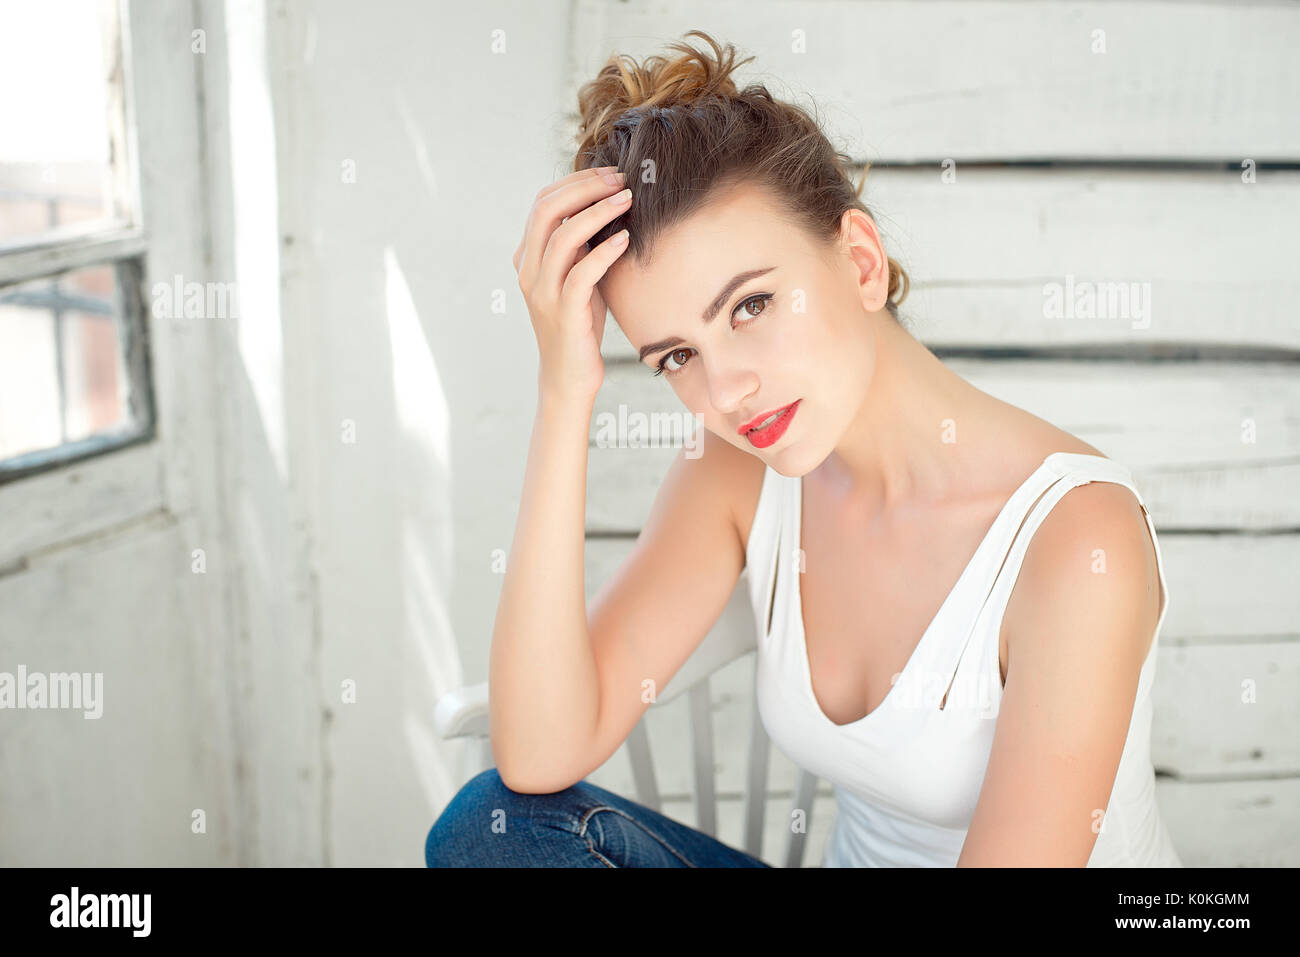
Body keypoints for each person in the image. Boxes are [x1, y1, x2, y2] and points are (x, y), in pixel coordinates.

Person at [426, 30, 1181, 867]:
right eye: (677, 356)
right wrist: (565, 391)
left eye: (749, 306)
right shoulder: (738, 476)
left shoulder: (1077, 538)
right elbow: (537, 754)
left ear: (860, 261)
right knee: (485, 826)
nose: (725, 393)